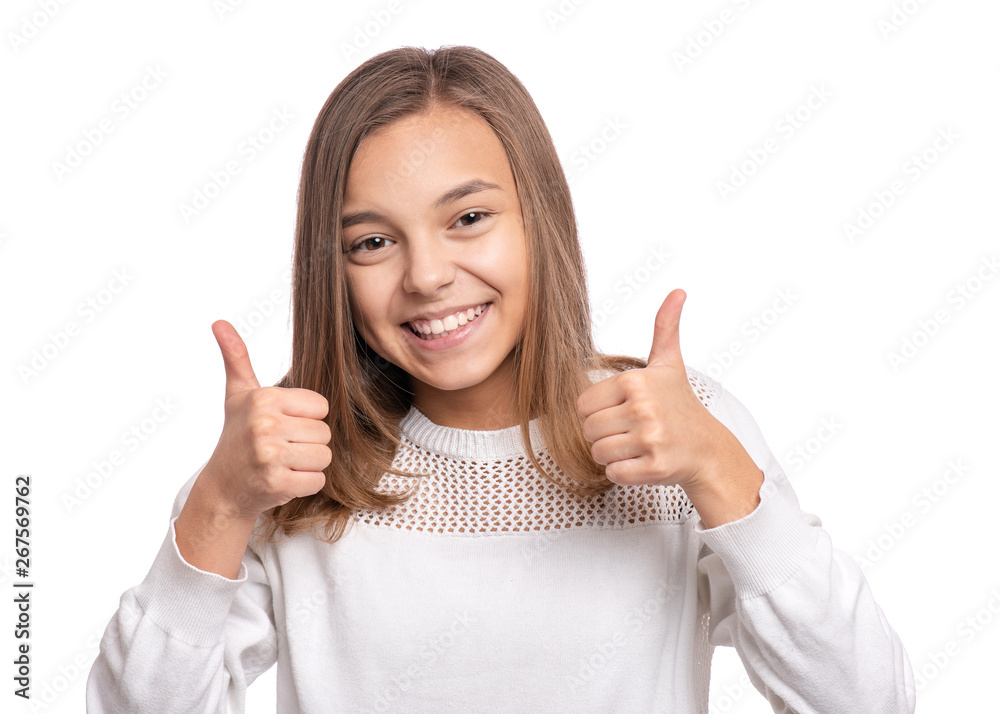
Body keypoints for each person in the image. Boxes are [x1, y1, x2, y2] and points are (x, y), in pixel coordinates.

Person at [86, 45, 916, 713]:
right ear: (331, 269)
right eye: (373, 242)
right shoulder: (288, 466)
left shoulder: (675, 429)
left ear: (538, 219)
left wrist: (722, 473)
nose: (427, 276)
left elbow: (866, 701)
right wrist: (221, 502)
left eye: (469, 218)